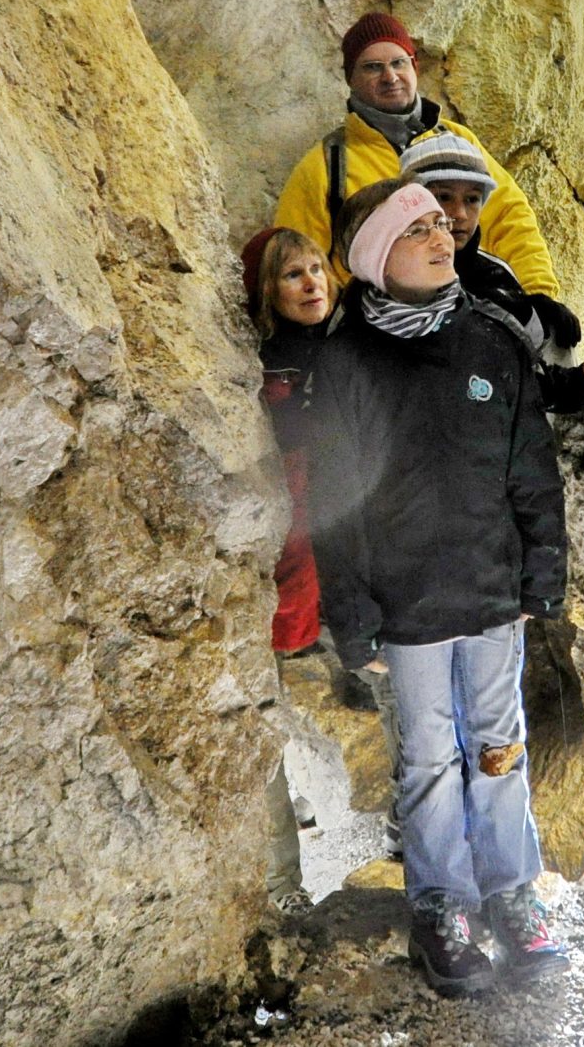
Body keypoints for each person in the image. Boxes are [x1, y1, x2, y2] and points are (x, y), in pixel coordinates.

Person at [308, 178, 569, 996]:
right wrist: (354, 620)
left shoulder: (490, 340)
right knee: (426, 757)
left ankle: (511, 888)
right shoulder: (346, 361)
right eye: (416, 228)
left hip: (493, 591)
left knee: (499, 746)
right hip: (408, 605)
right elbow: (332, 506)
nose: (441, 235)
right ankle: (441, 902)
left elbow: (534, 468)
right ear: (377, 257)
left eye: (440, 223)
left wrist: (544, 571)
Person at [273, 13, 574, 327]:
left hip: (476, 320)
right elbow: (295, 261)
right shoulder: (326, 164)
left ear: (414, 66)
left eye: (399, 62)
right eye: (372, 67)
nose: (389, 76)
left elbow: (509, 217)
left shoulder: (458, 142)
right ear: (350, 78)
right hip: (377, 335)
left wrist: (538, 293)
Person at [242, 226, 337, 918]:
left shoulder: (352, 346)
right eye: (291, 274)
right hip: (282, 552)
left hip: (341, 551)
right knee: (262, 727)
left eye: (316, 268)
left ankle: (409, 843)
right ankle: (282, 883)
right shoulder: (256, 368)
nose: (310, 282)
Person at [398, 133, 584, 410]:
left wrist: (582, 382)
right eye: (443, 197)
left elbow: (526, 382)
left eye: (472, 199)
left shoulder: (496, 276)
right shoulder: (383, 287)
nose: (460, 214)